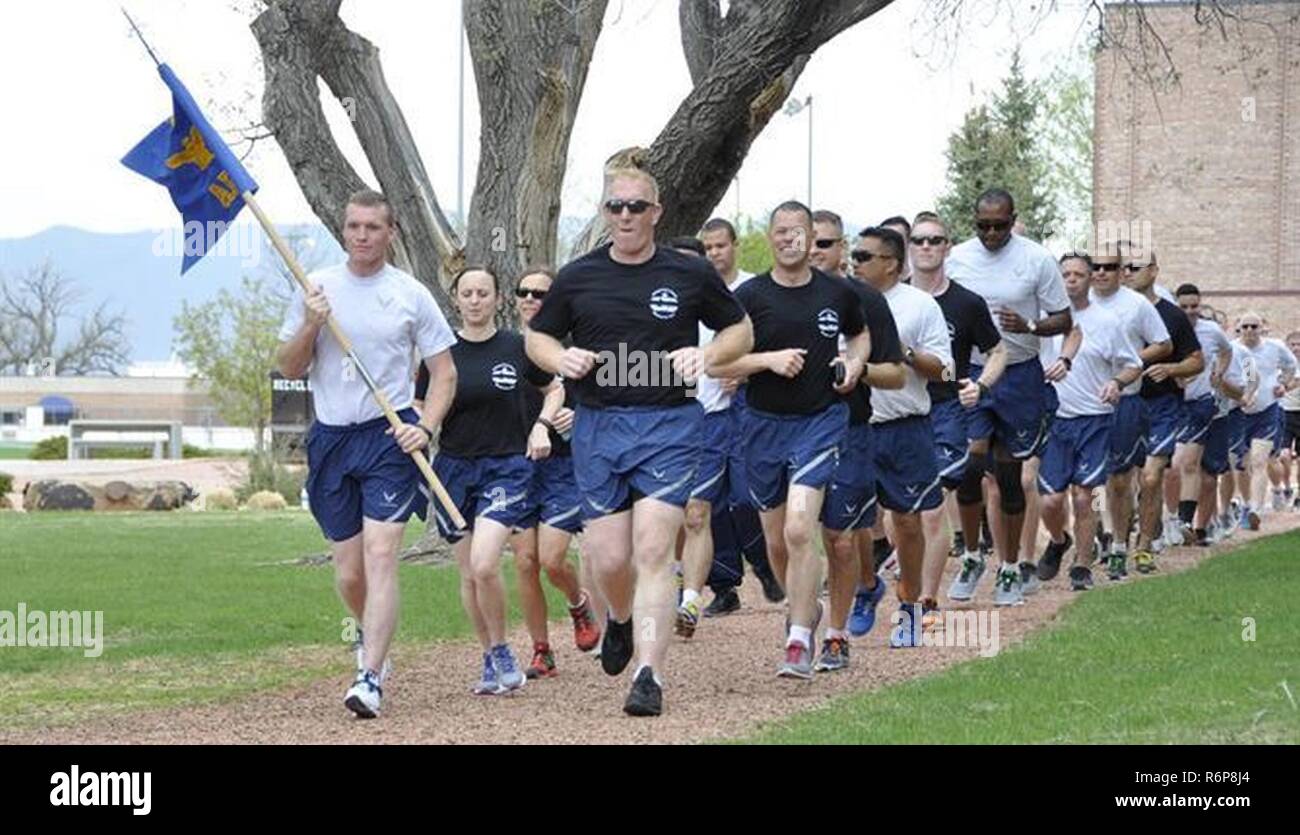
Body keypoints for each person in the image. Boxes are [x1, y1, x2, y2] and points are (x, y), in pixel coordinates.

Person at [526, 168, 752, 717]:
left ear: (656, 211)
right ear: (605, 213)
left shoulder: (690, 273)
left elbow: (739, 329)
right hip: (599, 427)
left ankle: (649, 673)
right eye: (615, 207)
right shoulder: (579, 277)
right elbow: (537, 336)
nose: (624, 216)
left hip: (669, 425)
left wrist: (709, 356)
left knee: (653, 550)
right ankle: (620, 621)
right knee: (607, 558)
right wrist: (561, 359)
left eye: (635, 206)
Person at [276, 189, 457, 719]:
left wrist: (424, 426)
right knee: (349, 572)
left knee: (382, 557)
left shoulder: (410, 294)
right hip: (331, 437)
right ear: (344, 229)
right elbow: (289, 368)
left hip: (388, 434)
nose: (361, 236)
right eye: (353, 226)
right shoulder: (317, 288)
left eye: (372, 228)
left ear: (390, 232)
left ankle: (370, 675)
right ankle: (371, 637)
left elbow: (444, 372)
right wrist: (311, 322)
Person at [710, 200, 870, 678]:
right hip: (761, 426)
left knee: (802, 527)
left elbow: (859, 337)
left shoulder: (837, 293)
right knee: (778, 540)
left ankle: (800, 639)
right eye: (779, 231)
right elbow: (717, 364)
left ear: (809, 235)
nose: (788, 239)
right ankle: (804, 607)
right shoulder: (749, 298)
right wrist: (767, 361)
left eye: (797, 231)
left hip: (820, 420)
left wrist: (855, 364)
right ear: (770, 236)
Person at [417, 267, 563, 695]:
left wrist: (541, 426)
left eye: (483, 292)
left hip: (506, 468)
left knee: (485, 562)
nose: (476, 300)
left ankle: (502, 651)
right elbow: (421, 403)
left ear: (498, 299)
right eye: (468, 293)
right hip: (454, 470)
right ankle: (489, 654)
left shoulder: (518, 347)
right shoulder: (441, 354)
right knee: (468, 573)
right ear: (456, 300)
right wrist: (416, 427)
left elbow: (554, 389)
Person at [943, 188, 1072, 606]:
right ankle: (971, 554)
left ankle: (1012, 566)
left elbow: (1064, 320)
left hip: (1019, 375)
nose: (992, 233)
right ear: (973, 221)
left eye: (1000, 225)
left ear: (1013, 219)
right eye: (984, 225)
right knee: (969, 463)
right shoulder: (957, 258)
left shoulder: (1036, 259)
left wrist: (1030, 325)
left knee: (1010, 475)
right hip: (973, 372)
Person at [814, 210, 907, 669]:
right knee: (782, 540)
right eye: (808, 241)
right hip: (784, 432)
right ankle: (862, 586)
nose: (816, 251)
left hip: (850, 430)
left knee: (842, 539)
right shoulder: (765, 296)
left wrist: (858, 370)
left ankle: (834, 635)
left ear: (842, 249)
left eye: (827, 243)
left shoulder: (864, 299)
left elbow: (895, 374)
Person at [907, 212, 1007, 623]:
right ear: (909, 248)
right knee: (901, 516)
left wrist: (980, 386)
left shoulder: (966, 303)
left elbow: (999, 351)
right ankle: (899, 586)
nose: (927, 247)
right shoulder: (889, 300)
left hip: (946, 411)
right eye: (919, 240)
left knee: (931, 509)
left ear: (948, 247)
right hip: (898, 414)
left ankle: (925, 603)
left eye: (936, 240)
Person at [855, 226, 953, 643]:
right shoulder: (844, 300)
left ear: (892, 263)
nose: (854, 263)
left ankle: (910, 606)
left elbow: (945, 369)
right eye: (854, 256)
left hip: (905, 427)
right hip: (854, 427)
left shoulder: (920, 305)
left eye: (864, 256)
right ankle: (866, 586)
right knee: (849, 522)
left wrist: (905, 352)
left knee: (908, 524)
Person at [507, 267, 602, 678]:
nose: (530, 299)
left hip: (564, 467)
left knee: (551, 559)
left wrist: (575, 417)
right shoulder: (504, 347)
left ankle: (579, 603)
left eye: (540, 293)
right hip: (514, 467)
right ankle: (541, 651)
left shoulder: (576, 351)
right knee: (525, 562)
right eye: (523, 292)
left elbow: (607, 405)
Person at [1035, 253, 1142, 591]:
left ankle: (1081, 564)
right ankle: (1058, 540)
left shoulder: (1107, 321)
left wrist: (1117, 383)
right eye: (1065, 274)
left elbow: (1133, 364)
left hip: (1095, 419)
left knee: (1086, 496)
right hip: (1054, 419)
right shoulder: (1042, 322)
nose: (1071, 280)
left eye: (1079, 274)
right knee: (1050, 500)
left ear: (1089, 279)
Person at [698, 218, 782, 615]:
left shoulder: (753, 290)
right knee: (710, 503)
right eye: (708, 247)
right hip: (704, 409)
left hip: (750, 407)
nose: (715, 253)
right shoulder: (694, 292)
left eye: (721, 245)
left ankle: (765, 563)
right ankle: (724, 584)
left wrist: (744, 374)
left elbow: (773, 348)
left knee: (745, 496)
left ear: (734, 246)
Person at [1084, 248, 1170, 579]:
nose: (1101, 272)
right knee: (1087, 482)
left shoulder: (1136, 305)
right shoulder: (1076, 303)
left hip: (1124, 400)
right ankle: (1090, 542)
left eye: (1110, 267)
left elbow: (1163, 344)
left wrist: (1130, 358)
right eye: (1096, 267)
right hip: (1080, 404)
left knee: (1119, 480)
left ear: (1122, 271)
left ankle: (1119, 545)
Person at [1124, 251, 1204, 574]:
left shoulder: (1172, 315)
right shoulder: (1110, 309)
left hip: (1162, 405)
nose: (1127, 272)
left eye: (1135, 267)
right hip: (1121, 403)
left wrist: (1170, 368)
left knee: (1151, 475)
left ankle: (1143, 547)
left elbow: (1197, 360)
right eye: (1124, 267)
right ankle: (1118, 540)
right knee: (1119, 481)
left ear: (1154, 271)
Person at [1165, 284, 1233, 547]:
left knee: (1208, 470)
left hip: (1214, 409)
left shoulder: (1213, 333)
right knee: (1169, 468)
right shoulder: (1165, 331)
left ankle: (1203, 521)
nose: (1190, 312)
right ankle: (1168, 521)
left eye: (1195, 306)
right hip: (1171, 406)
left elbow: (1237, 366)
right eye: (1184, 307)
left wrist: (1221, 377)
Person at [1234, 311, 1298, 529]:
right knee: (1241, 464)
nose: (1250, 330)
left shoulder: (1275, 347)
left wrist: (1284, 386)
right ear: (1239, 330)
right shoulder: (1234, 349)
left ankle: (1256, 510)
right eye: (1246, 327)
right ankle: (1245, 504)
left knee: (1260, 460)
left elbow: (1291, 368)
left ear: (1262, 328)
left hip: (1268, 410)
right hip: (1239, 414)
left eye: (1254, 326)